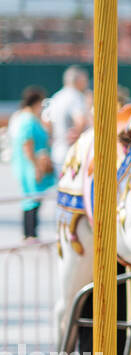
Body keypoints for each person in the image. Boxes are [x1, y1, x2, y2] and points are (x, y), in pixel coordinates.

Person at [10, 86, 56, 241]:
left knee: (32, 198)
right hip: (30, 165)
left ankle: (30, 232)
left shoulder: (26, 118)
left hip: (28, 163)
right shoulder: (28, 121)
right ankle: (30, 232)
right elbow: (27, 146)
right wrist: (36, 166)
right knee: (31, 199)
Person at [46, 66, 90, 171]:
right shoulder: (75, 96)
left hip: (57, 152)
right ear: (79, 80)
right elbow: (80, 120)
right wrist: (78, 135)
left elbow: (46, 122)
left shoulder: (56, 96)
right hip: (72, 154)